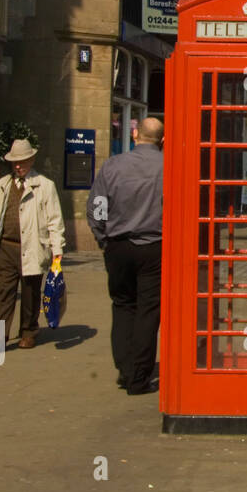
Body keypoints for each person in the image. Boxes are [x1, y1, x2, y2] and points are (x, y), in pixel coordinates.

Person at [87, 117, 164, 394]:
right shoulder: (169, 167)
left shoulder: (112, 165)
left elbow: (97, 206)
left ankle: (125, 367)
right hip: (155, 246)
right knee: (148, 311)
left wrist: (102, 236)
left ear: (134, 135)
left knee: (122, 306)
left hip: (118, 245)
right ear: (162, 140)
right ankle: (139, 376)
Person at [0, 139, 65, 350]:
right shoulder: (0, 186)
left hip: (32, 246)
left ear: (32, 160)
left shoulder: (45, 186)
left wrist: (57, 250)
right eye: (14, 162)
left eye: (22, 162)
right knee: (4, 292)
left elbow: (54, 220)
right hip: (6, 247)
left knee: (30, 293)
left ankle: (28, 331)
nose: (18, 166)